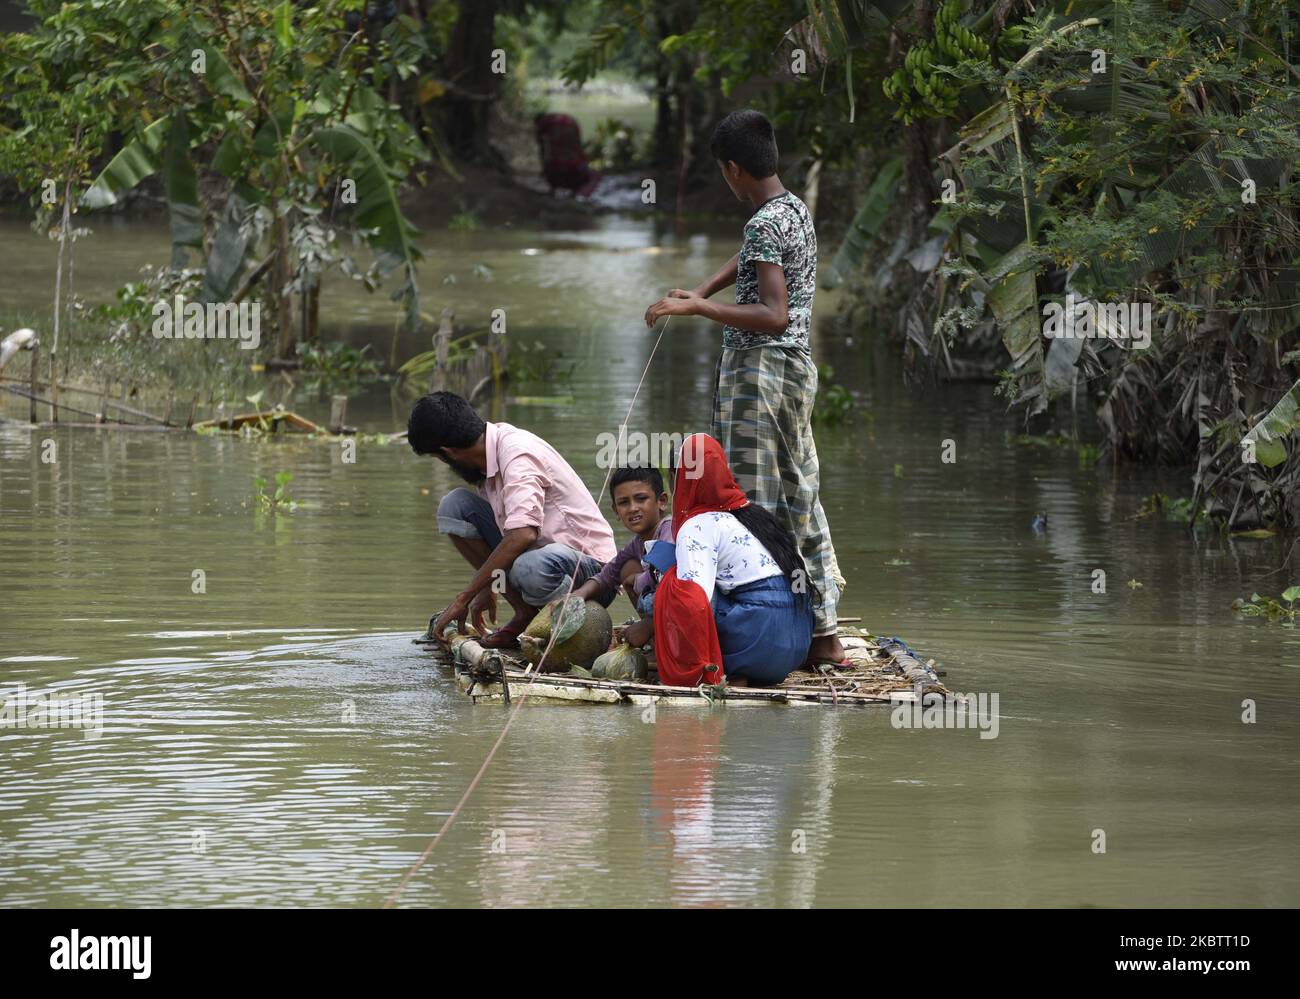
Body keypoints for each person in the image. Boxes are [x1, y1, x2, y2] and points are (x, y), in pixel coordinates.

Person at [642, 109, 846, 664]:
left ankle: (767, 627)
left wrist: (701, 308)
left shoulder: (763, 221)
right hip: (795, 371)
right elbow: (755, 259)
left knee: (747, 503)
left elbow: (775, 313)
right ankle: (823, 628)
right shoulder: (792, 209)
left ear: (733, 169)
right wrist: (703, 286)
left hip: (761, 371)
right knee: (800, 493)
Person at [408, 392, 617, 648]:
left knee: (528, 566)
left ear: (448, 452)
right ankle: (525, 612)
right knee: (455, 506)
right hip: (541, 562)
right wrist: (489, 585)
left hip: (593, 573)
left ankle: (569, 632)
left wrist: (463, 598)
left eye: (439, 459)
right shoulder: (486, 459)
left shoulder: (517, 454)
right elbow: (507, 533)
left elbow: (523, 534)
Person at [652, 434, 812, 688]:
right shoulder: (754, 515)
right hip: (796, 647)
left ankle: (730, 668)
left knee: (672, 588)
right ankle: (748, 668)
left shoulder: (698, 524)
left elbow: (693, 602)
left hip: (758, 644)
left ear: (678, 478)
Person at [571, 467, 672, 646]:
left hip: (679, 606)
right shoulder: (636, 544)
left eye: (641, 499)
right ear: (616, 511)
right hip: (662, 608)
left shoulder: (669, 531)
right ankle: (658, 641)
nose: (633, 508)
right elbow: (608, 575)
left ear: (661, 501)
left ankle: (659, 637)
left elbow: (672, 580)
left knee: (633, 575)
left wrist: (648, 624)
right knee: (627, 567)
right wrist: (578, 594)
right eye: (624, 503)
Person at [534, 112, 600, 197]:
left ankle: (553, 190)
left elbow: (542, 148)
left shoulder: (543, 123)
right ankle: (574, 192)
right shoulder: (565, 119)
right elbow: (578, 147)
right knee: (570, 157)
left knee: (556, 158)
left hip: (559, 163)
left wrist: (544, 167)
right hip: (572, 125)